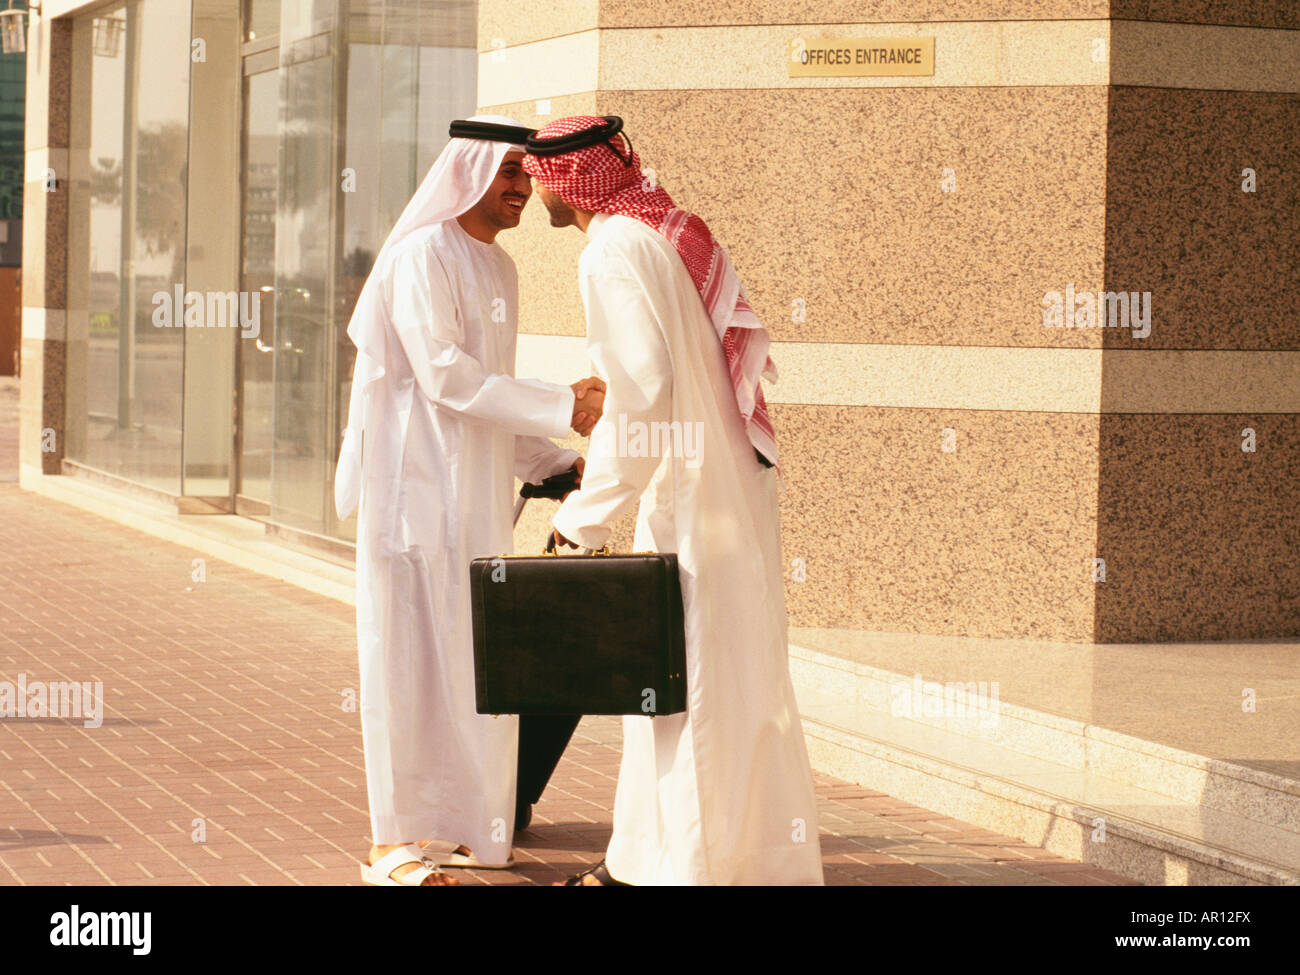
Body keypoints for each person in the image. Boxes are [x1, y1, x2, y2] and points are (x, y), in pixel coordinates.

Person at [524, 116, 824, 885]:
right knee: (729, 684)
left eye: (539, 175)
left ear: (566, 181)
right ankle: (658, 863)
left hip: (695, 499)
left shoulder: (612, 251)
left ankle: (685, 871)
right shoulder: (657, 234)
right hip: (726, 487)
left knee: (689, 698)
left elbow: (639, 399)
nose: (534, 190)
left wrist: (582, 520)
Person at [336, 115, 606, 886]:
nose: (523, 188)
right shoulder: (421, 255)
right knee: (405, 664)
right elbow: (446, 377)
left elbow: (488, 399)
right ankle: (394, 840)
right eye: (510, 172)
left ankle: (465, 827)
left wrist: (559, 458)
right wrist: (564, 403)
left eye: (528, 174)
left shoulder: (501, 270)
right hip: (411, 499)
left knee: (469, 665)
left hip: (476, 507)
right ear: (469, 173)